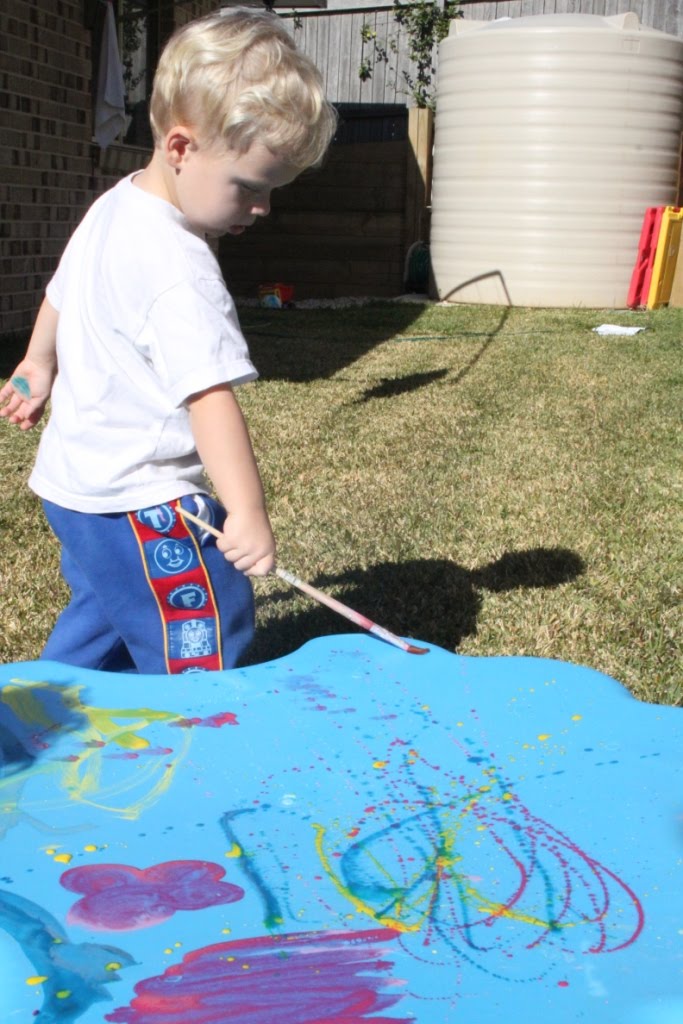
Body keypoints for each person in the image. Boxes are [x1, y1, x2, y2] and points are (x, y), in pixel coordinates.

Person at [0, 9, 336, 675]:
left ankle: (46, 704)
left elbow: (62, 292)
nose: (262, 209)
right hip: (140, 500)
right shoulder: (182, 271)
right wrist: (246, 512)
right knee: (204, 620)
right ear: (182, 148)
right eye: (250, 188)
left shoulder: (114, 203)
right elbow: (209, 399)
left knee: (107, 612)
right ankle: (200, 729)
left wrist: (37, 362)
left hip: (74, 488)